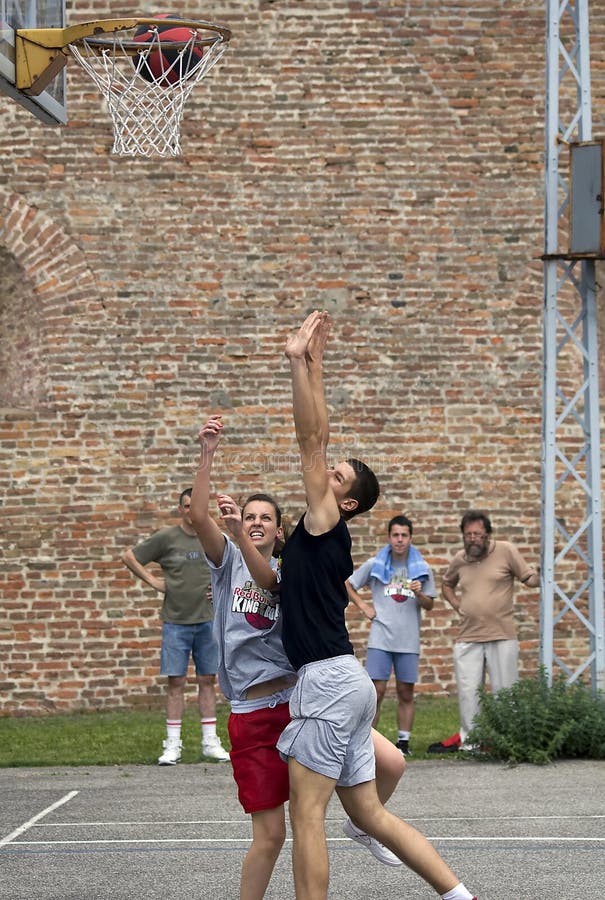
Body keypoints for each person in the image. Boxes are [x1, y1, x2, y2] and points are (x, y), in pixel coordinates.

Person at [276, 311, 477, 900]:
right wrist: (315, 366)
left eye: (338, 475)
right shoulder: (327, 527)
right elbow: (321, 437)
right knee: (369, 816)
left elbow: (311, 438)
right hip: (349, 683)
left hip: (330, 685)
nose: (328, 468)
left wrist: (296, 363)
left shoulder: (323, 518)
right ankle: (459, 895)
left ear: (350, 499)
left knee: (305, 817)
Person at [189, 416, 407, 900]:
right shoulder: (227, 563)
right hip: (252, 712)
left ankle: (365, 823)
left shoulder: (289, 568)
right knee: (272, 836)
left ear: (279, 528)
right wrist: (207, 453)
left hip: (300, 699)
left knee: (391, 762)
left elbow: (321, 576)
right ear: (239, 523)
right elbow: (199, 517)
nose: (257, 522)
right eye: (250, 516)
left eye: (266, 517)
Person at [121, 488, 229, 764]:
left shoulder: (213, 536)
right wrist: (154, 582)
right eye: (187, 506)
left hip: (208, 620)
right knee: (176, 682)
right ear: (181, 509)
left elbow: (232, 566)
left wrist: (220, 590)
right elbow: (129, 556)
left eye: (197, 506)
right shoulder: (168, 537)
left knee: (208, 680)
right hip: (176, 622)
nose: (192, 511)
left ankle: (209, 742)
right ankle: (172, 745)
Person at [432, 509, 540, 753]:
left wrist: (543, 575)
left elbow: (528, 578)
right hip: (468, 636)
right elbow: (447, 584)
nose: (472, 538)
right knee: (469, 694)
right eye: (468, 534)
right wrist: (457, 605)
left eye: (477, 534)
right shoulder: (460, 558)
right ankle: (471, 743)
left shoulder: (506, 550)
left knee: (505, 692)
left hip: (502, 635)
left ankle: (507, 741)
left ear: (488, 535)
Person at [346, 514, 435, 756]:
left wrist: (419, 593)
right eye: (395, 535)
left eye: (404, 535)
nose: (399, 540)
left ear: (410, 538)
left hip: (408, 639)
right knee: (377, 690)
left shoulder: (421, 568)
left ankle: (403, 743)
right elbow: (348, 583)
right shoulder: (376, 563)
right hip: (381, 637)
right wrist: (364, 607)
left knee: (406, 691)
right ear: (389, 537)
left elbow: (429, 605)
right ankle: (366, 741)